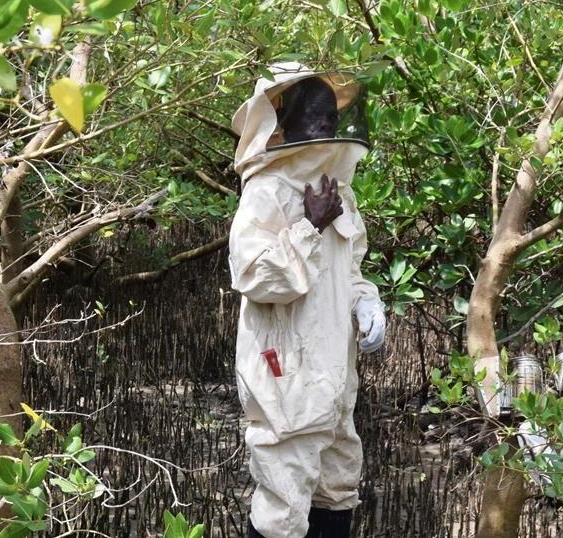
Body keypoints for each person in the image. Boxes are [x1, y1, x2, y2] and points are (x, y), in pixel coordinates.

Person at [227, 62, 387, 538]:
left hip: (335, 370)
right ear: (285, 124)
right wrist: (309, 226)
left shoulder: (341, 193)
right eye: (314, 118)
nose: (324, 128)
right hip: (287, 376)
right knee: (284, 499)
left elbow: (350, 268)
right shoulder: (265, 191)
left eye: (329, 119)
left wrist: (366, 303)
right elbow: (256, 279)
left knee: (338, 483)